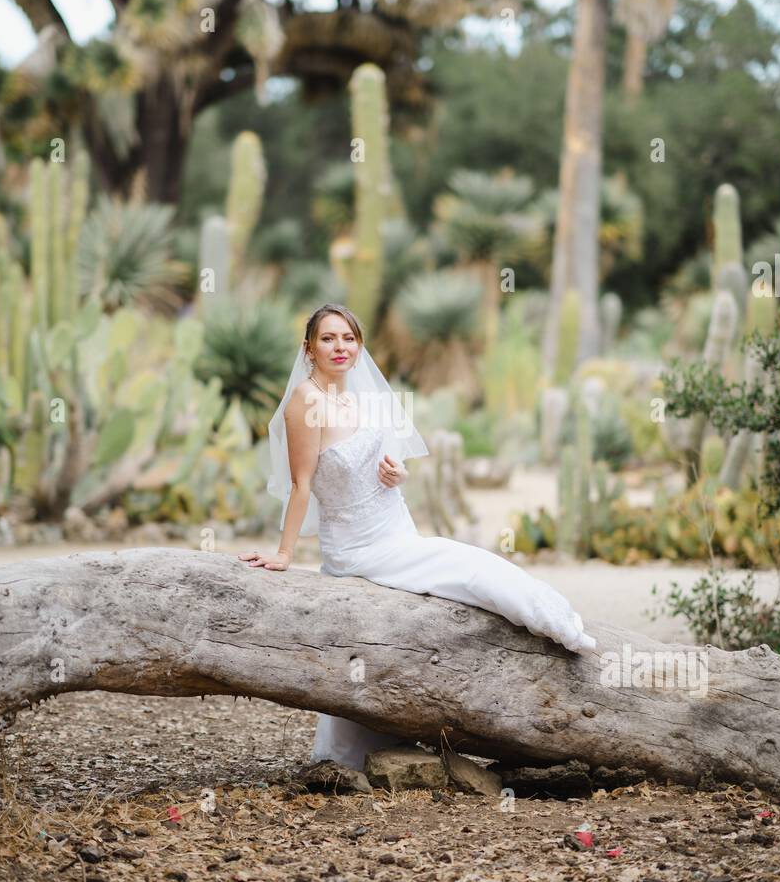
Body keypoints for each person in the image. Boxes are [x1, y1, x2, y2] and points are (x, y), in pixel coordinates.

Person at [238, 304, 596, 770]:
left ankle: (345, 759)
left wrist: (394, 473)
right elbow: (303, 484)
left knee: (466, 568)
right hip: (358, 548)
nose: (340, 347)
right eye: (328, 339)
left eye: (348, 338)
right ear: (309, 348)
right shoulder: (305, 402)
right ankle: (560, 627)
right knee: (471, 569)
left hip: (396, 528)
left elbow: (383, 465)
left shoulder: (362, 399)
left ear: (359, 345)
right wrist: (285, 554)